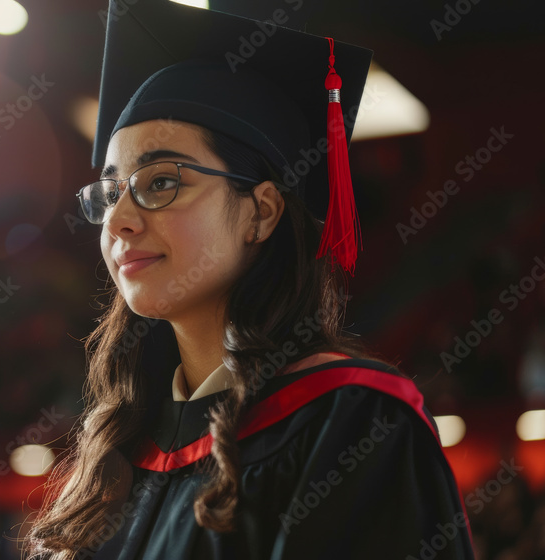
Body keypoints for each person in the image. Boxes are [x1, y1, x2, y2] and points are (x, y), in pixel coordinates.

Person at [25, 1, 475, 559]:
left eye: (161, 182)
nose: (118, 218)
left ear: (262, 212)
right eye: (110, 191)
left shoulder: (352, 422)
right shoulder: (116, 453)